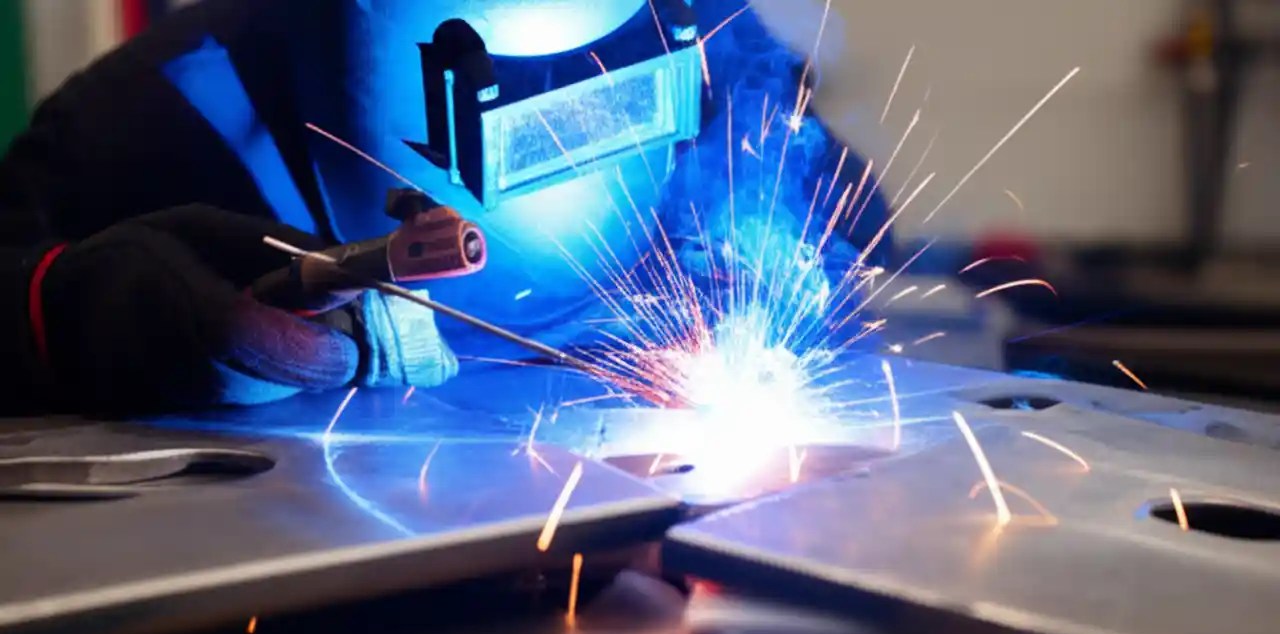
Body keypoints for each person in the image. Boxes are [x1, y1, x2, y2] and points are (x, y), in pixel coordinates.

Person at [0, 0, 892, 416]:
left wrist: (763, 247)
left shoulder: (704, 38)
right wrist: (85, 310)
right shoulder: (150, 118)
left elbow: (853, 207)